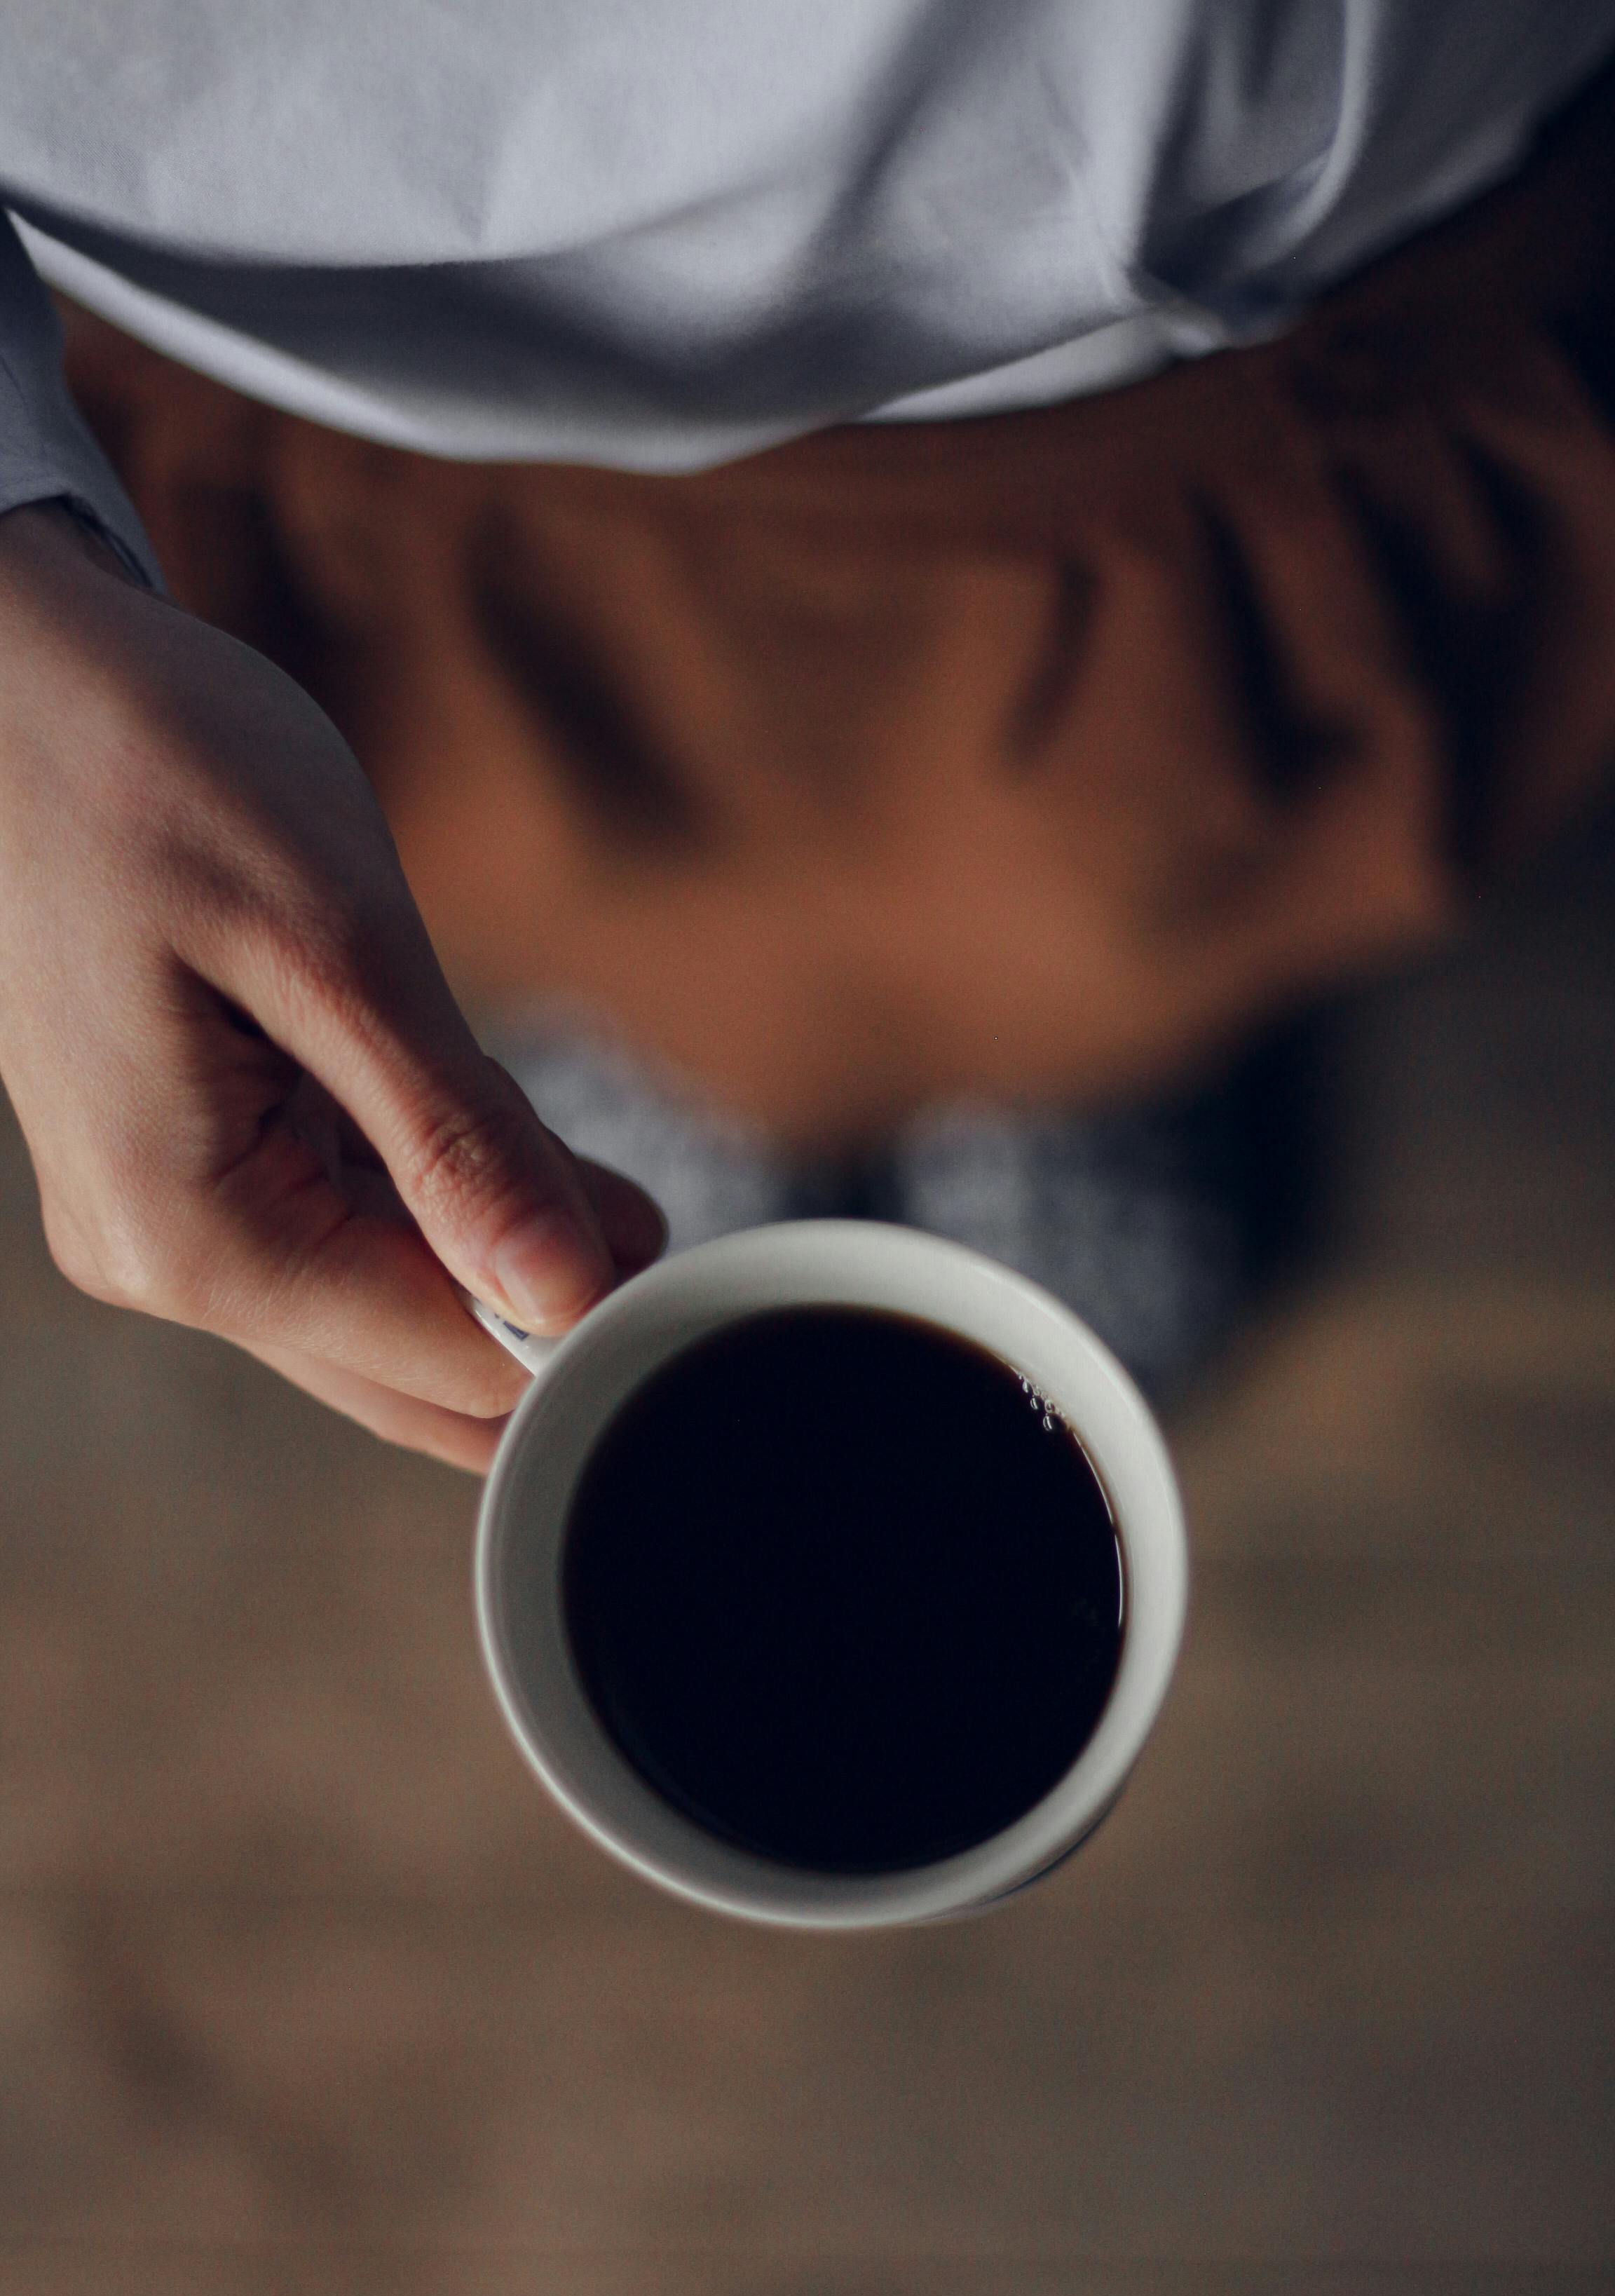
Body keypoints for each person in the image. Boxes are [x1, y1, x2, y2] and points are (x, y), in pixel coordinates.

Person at [3, 2, 1615, 1470]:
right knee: (482, 824)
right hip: (292, 330)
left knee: (1170, 862)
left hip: (1253, 326)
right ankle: (706, 1037)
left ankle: (1055, 1058)